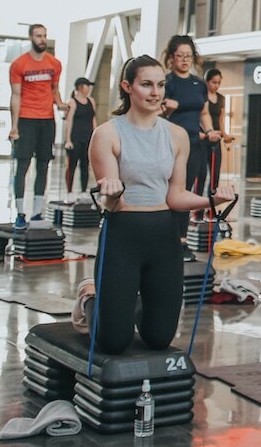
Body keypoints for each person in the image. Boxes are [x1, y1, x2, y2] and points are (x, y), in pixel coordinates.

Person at [87, 55, 224, 355]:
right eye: (146, 85)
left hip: (163, 235)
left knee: (159, 338)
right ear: (127, 87)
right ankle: (90, 298)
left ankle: (126, 306)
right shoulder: (107, 134)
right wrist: (111, 192)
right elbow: (113, 205)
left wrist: (212, 200)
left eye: (160, 85)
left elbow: (175, 195)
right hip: (122, 233)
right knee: (114, 342)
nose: (155, 93)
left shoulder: (176, 136)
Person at [8, 23, 66, 228]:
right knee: (22, 166)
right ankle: (20, 213)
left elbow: (54, 89)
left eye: (44, 36)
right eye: (38, 36)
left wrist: (60, 104)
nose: (42, 39)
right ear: (31, 38)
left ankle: (36, 213)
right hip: (26, 118)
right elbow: (15, 96)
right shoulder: (19, 64)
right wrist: (14, 126)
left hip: (47, 120)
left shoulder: (55, 64)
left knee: (44, 165)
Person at [160, 35, 208, 251]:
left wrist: (209, 130)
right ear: (172, 57)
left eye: (188, 56)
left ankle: (182, 239)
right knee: (169, 192)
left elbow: (204, 112)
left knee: (186, 192)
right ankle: (168, 238)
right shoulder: (166, 82)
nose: (185, 60)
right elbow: (158, 115)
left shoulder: (199, 84)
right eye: (180, 56)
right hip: (171, 144)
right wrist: (168, 108)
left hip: (194, 144)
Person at [201, 67, 232, 197]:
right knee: (200, 173)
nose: (216, 86)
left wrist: (225, 135)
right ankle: (197, 210)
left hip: (216, 138)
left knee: (215, 173)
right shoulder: (200, 96)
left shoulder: (221, 98)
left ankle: (211, 206)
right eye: (214, 82)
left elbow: (221, 120)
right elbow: (201, 116)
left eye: (218, 83)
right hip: (202, 137)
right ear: (207, 81)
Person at [63, 78, 96, 195]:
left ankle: (83, 191)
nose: (89, 88)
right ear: (81, 87)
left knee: (85, 165)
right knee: (71, 165)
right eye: (87, 86)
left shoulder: (91, 101)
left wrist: (95, 136)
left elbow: (93, 119)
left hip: (87, 137)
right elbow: (69, 121)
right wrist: (68, 140)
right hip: (75, 137)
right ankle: (69, 191)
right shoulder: (72, 102)